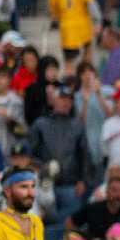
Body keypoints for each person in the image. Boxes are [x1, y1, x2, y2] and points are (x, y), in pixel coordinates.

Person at [28, 82, 95, 228]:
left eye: (69, 100)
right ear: (53, 101)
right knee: (42, 225)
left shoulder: (77, 126)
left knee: (70, 227)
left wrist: (83, 181)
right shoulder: (40, 124)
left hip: (70, 187)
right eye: (62, 98)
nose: (66, 102)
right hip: (44, 186)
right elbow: (31, 153)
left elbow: (85, 156)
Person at [47, 0, 98, 68]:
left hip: (67, 29)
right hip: (84, 25)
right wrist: (97, 20)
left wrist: (54, 23)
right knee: (87, 51)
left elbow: (54, 14)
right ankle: (85, 73)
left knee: (69, 61)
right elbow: (92, 5)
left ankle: (69, 79)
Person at [67, 170, 120, 240]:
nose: (118, 195)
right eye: (114, 191)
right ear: (107, 192)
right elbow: (70, 221)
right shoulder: (93, 209)